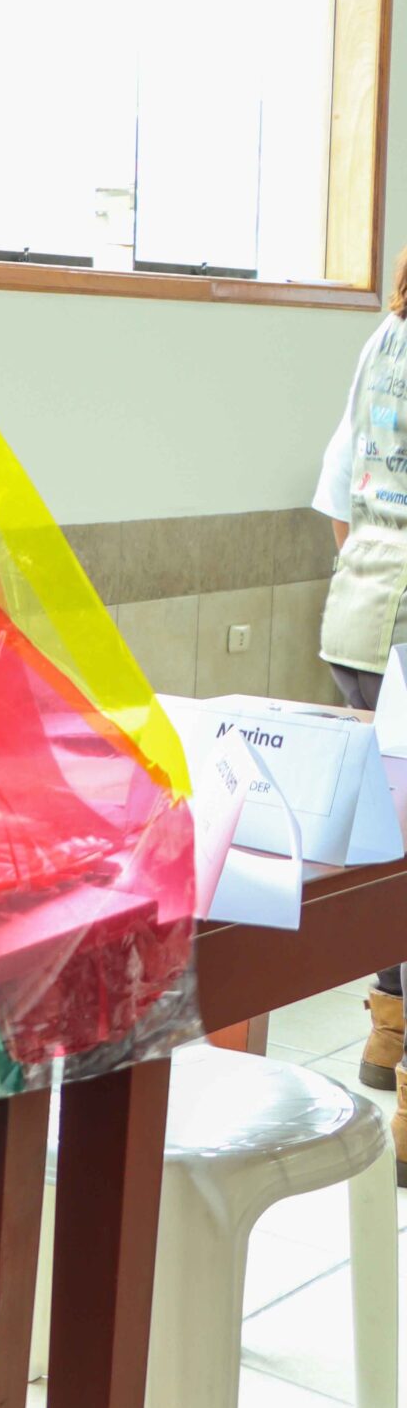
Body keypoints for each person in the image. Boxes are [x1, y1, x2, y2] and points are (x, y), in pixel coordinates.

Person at [315, 249, 407, 1163]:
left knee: (396, 847)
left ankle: (387, 1035)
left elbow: (339, 486)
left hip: (360, 622)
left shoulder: (385, 336)